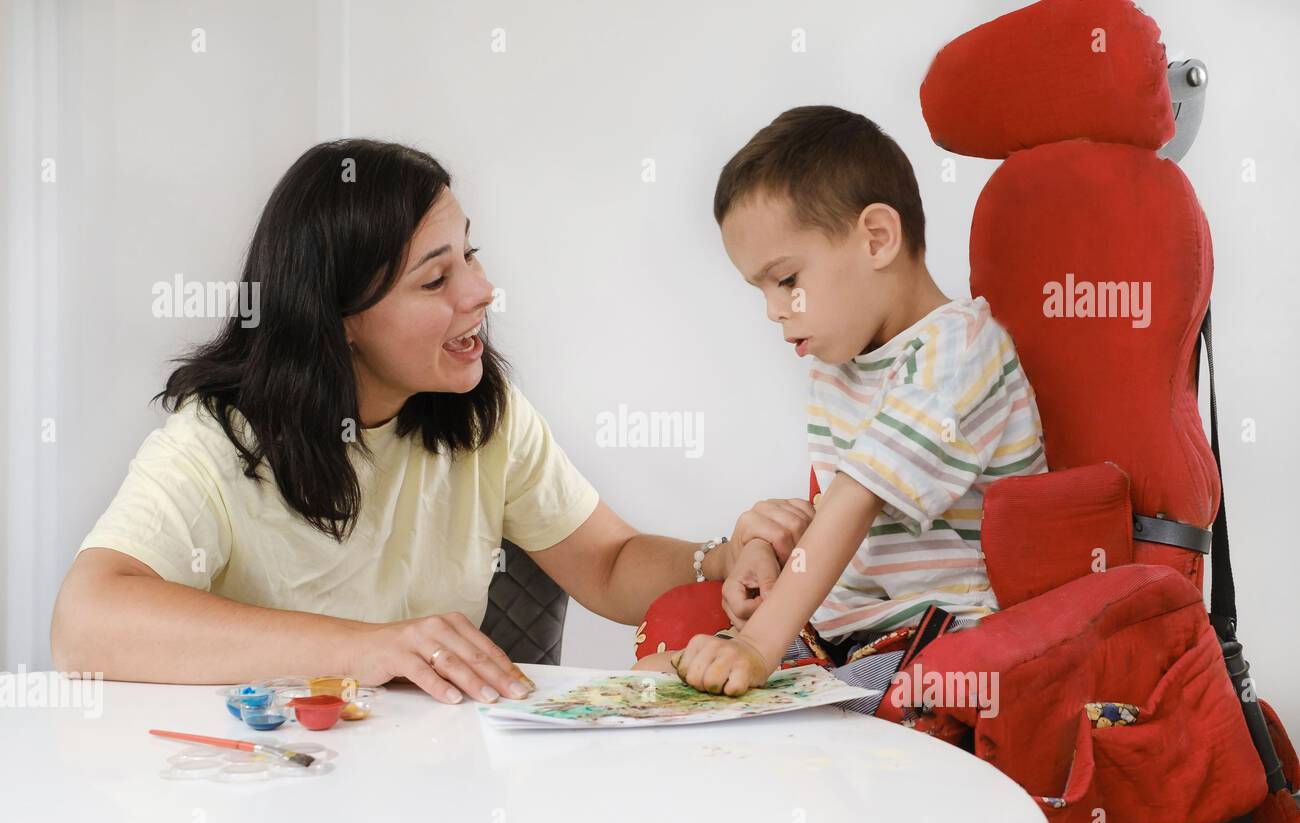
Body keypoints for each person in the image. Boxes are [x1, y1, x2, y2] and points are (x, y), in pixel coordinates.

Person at [50, 139, 810, 706]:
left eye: (470, 256)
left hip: (434, 790)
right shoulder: (221, 441)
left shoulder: (485, 417)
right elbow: (86, 623)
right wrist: (373, 649)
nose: (481, 290)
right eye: (436, 277)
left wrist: (723, 557)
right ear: (340, 318)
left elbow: (608, 564)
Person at [635, 106, 1047, 704]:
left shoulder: (958, 348)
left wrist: (757, 647)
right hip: (843, 630)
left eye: (785, 280)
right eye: (761, 290)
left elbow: (856, 501)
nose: (774, 311)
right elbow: (842, 516)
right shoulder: (840, 363)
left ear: (877, 238)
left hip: (938, 633)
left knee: (783, 711)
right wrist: (762, 549)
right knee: (654, 683)